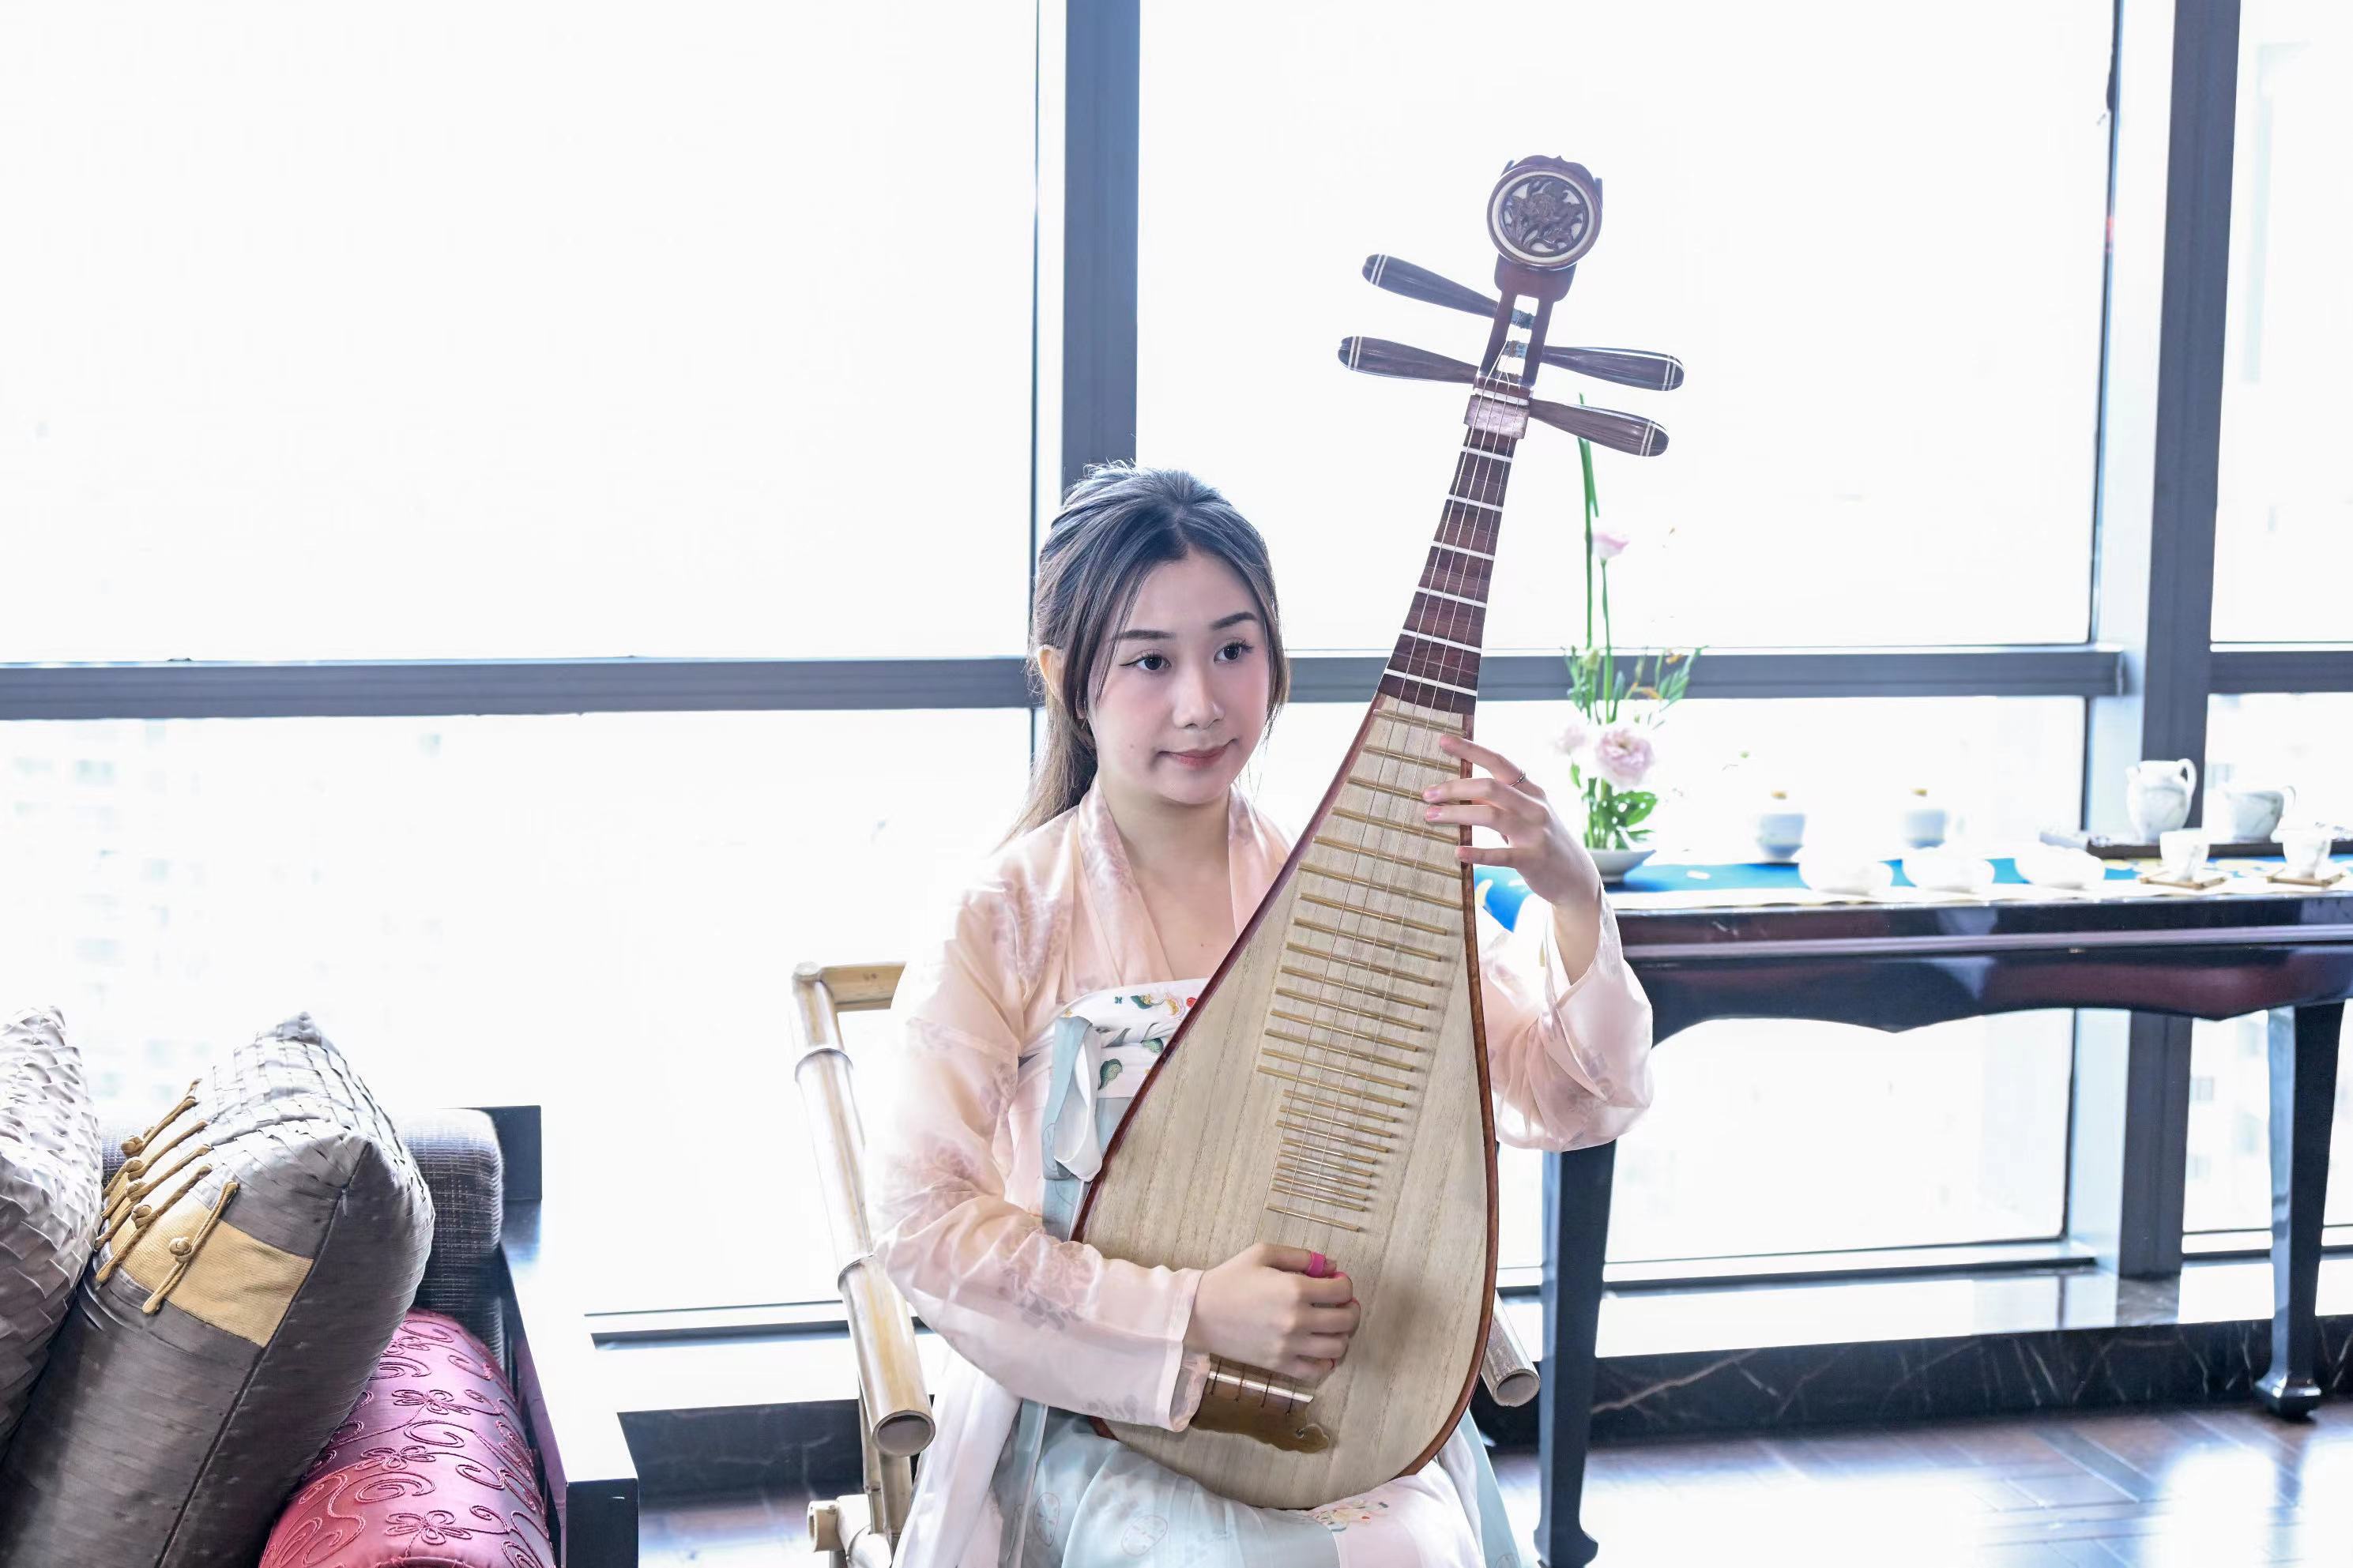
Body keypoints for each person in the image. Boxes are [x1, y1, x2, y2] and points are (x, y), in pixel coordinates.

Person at [868, 464, 1654, 1567]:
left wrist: (1570, 894)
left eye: (1233, 650)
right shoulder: (1004, 917)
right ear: (1064, 677)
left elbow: (1570, 1098)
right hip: (1087, 1406)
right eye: (1149, 660)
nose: (1200, 702)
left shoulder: (1353, 889)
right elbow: (921, 1221)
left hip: (1344, 1406)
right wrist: (1189, 1308)